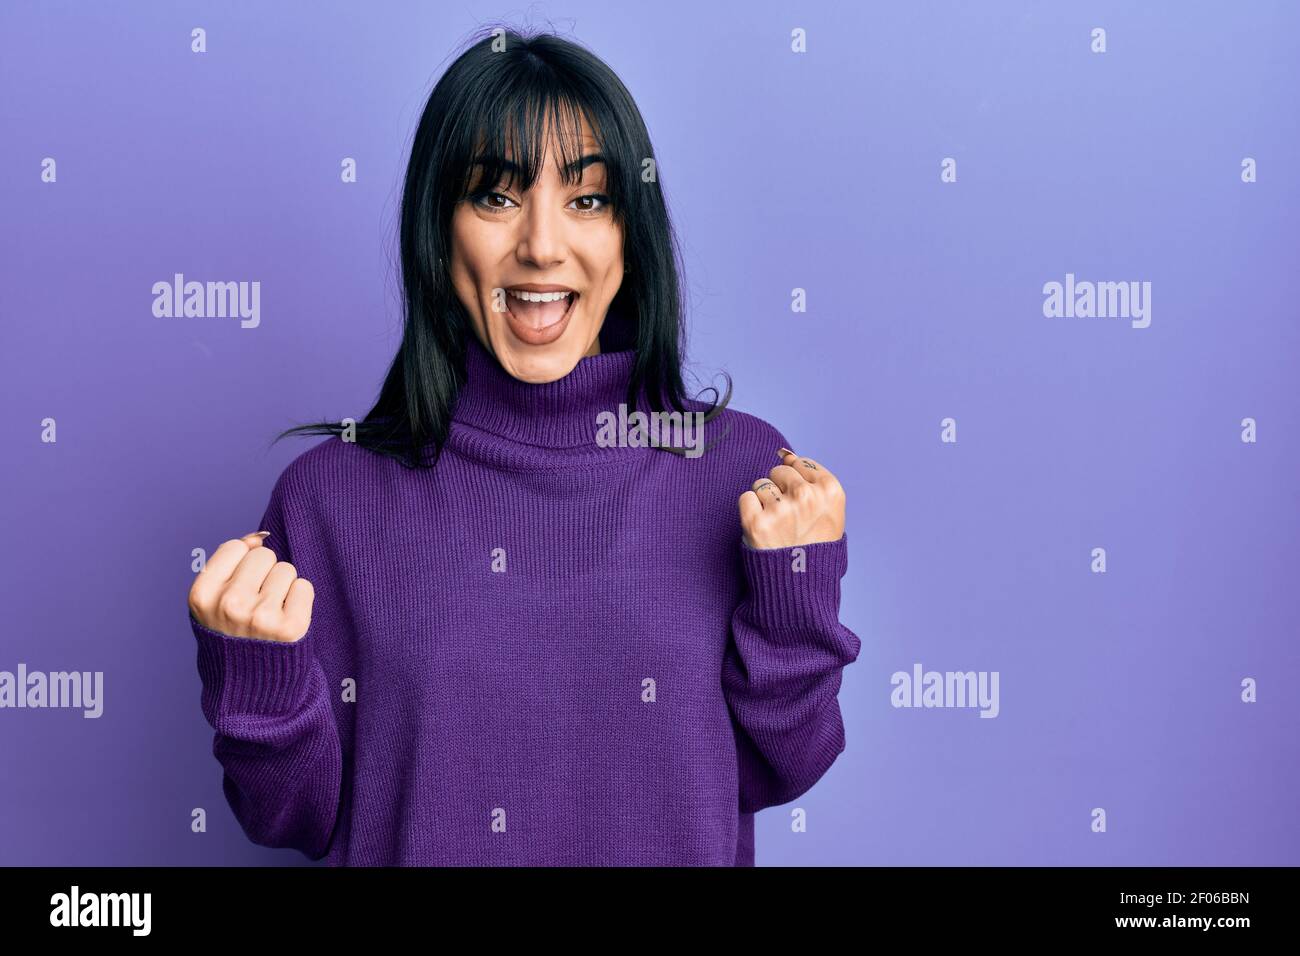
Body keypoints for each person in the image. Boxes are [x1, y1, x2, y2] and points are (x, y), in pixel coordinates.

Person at [186, 25, 861, 866]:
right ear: (439, 228)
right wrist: (256, 677)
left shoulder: (737, 473)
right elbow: (293, 819)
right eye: (496, 197)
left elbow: (781, 767)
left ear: (631, 236)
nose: (542, 246)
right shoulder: (329, 499)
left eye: (588, 200)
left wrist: (797, 593)